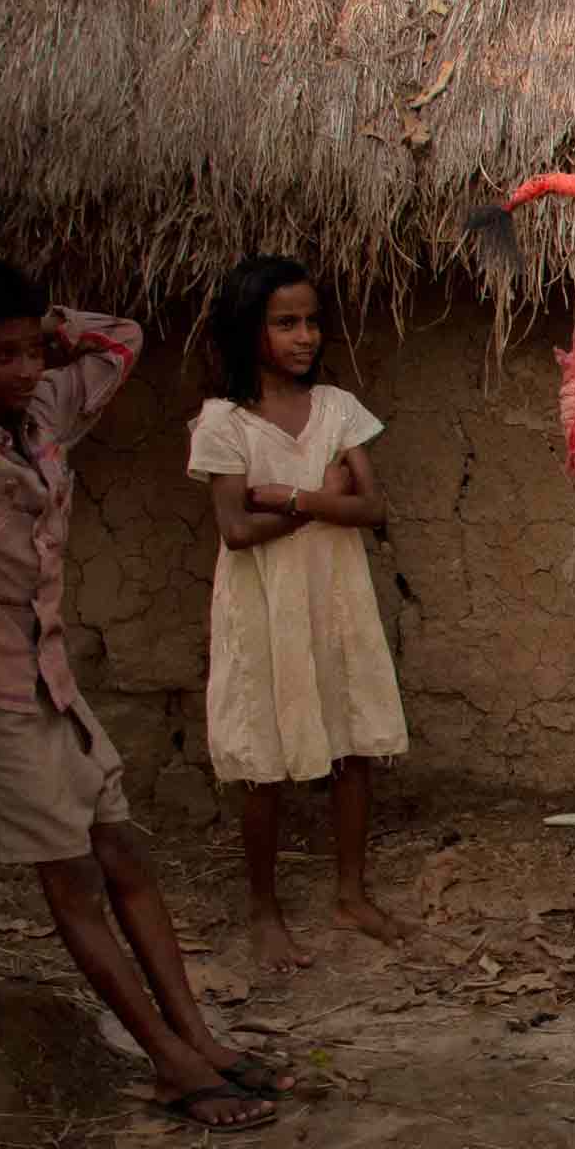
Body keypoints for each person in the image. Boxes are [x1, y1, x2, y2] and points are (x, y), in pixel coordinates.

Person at [0, 261, 287, 1131]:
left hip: (50, 678)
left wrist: (46, 324)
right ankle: (169, 1065)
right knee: (74, 878)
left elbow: (122, 338)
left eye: (29, 351)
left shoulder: (46, 411)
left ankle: (198, 1038)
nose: (21, 369)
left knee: (124, 853)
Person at [188, 256, 409, 969]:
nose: (304, 336)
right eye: (285, 323)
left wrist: (290, 498)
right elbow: (234, 530)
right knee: (264, 754)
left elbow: (372, 508)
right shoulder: (223, 423)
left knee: (351, 743)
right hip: (263, 605)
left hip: (336, 597)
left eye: (312, 321)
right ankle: (264, 909)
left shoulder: (338, 408)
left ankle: (350, 892)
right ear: (248, 328)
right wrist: (325, 498)